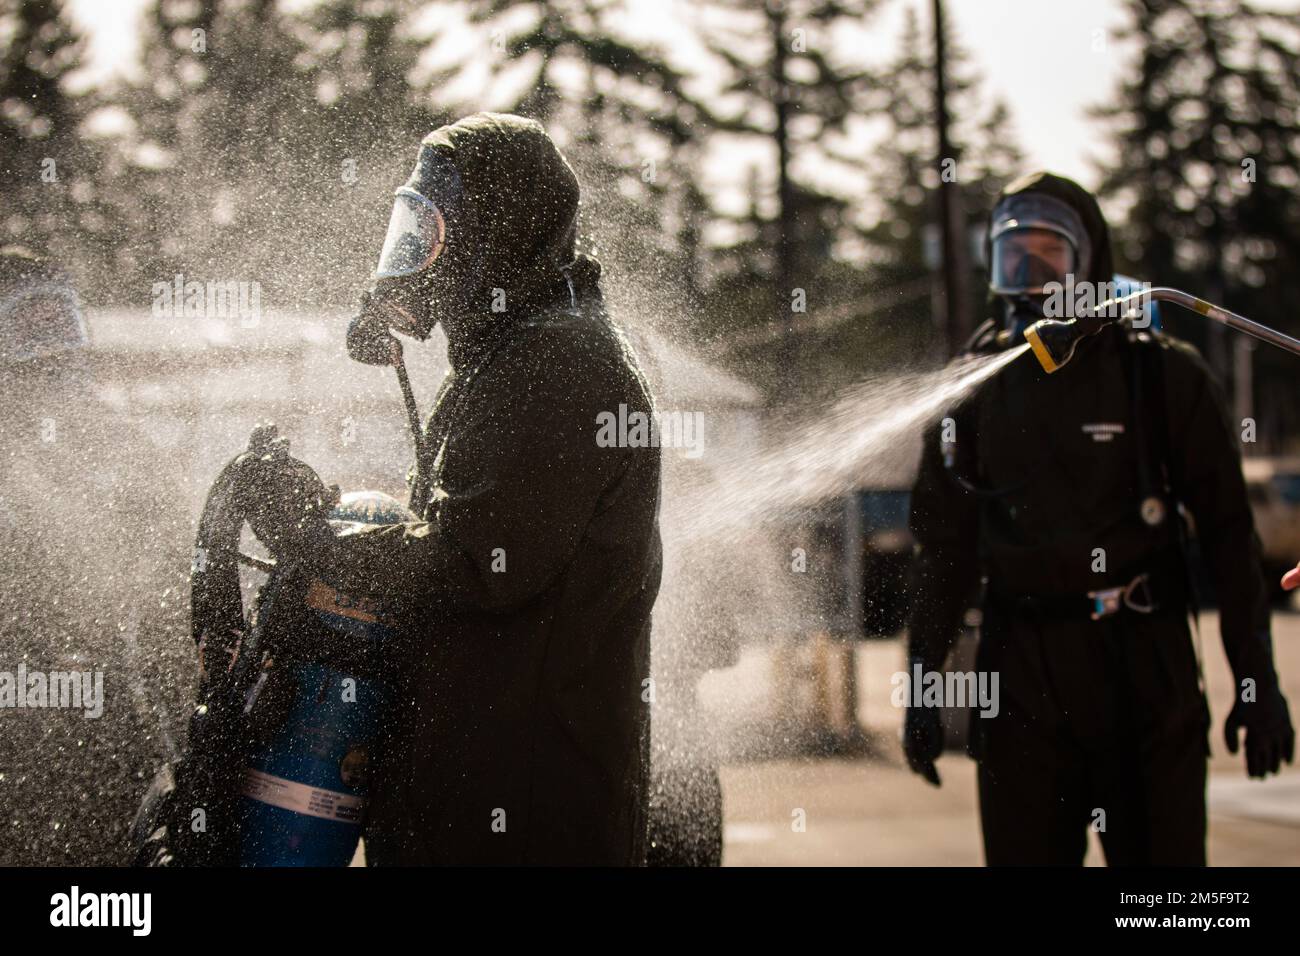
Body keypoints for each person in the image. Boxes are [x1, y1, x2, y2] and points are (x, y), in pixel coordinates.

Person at [252, 113, 663, 865]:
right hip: (478, 794)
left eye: (431, 233)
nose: (414, 259)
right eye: (407, 229)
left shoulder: (557, 363)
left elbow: (476, 563)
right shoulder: (511, 353)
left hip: (524, 814)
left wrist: (319, 541)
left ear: (493, 234)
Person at [903, 171, 1294, 866]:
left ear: (1091, 263)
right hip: (1019, 684)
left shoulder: (1160, 376)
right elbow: (944, 551)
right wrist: (924, 684)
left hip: (1145, 679)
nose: (1029, 273)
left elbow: (1233, 540)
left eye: (1048, 253)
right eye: (1011, 254)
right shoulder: (974, 387)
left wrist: (1256, 683)